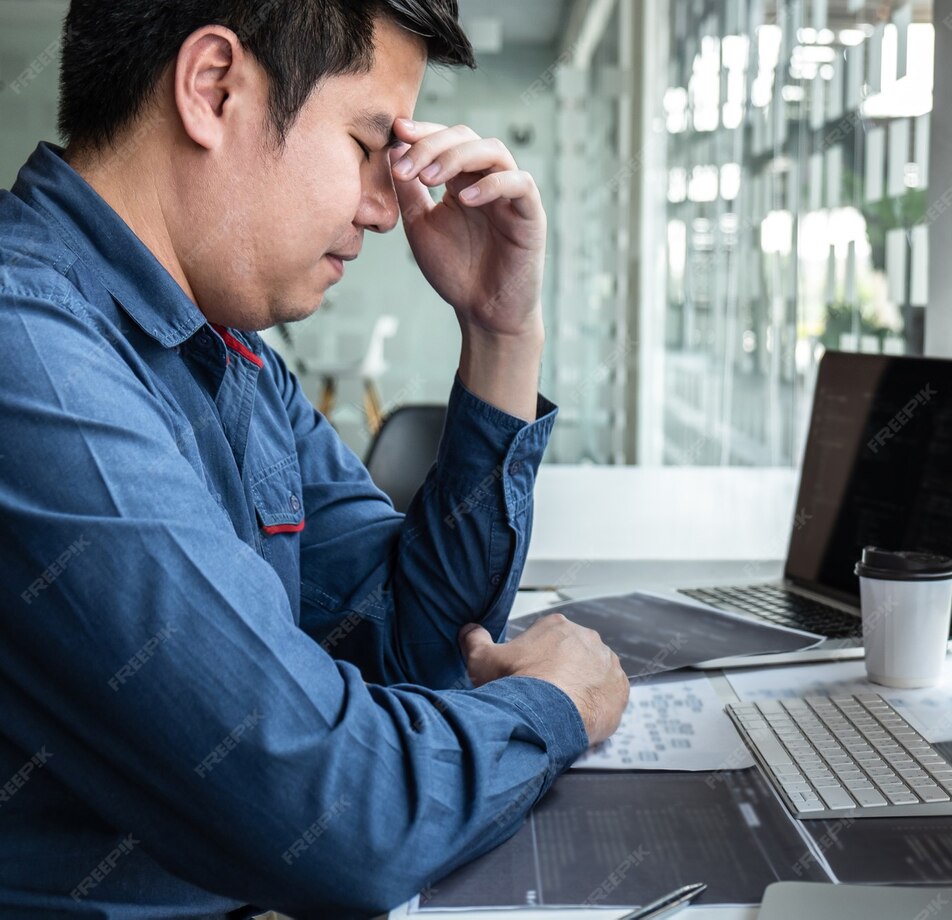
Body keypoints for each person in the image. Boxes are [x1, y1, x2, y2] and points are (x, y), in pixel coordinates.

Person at [0, 1, 629, 917]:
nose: (386, 208)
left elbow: (415, 643)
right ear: (214, 89)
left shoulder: (231, 351)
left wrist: (500, 333)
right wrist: (558, 708)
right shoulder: (29, 356)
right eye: (370, 146)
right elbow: (342, 813)